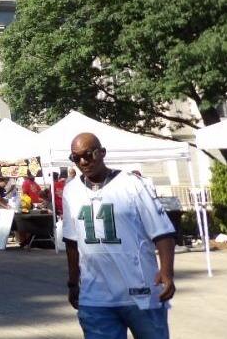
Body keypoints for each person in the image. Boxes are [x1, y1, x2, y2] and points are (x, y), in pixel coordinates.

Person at [62, 133, 176, 339]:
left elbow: (163, 232)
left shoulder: (132, 184)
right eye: (75, 157)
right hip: (96, 298)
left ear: (102, 152)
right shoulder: (71, 191)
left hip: (141, 293)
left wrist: (167, 272)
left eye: (88, 154)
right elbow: (71, 242)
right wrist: (72, 283)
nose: (83, 161)